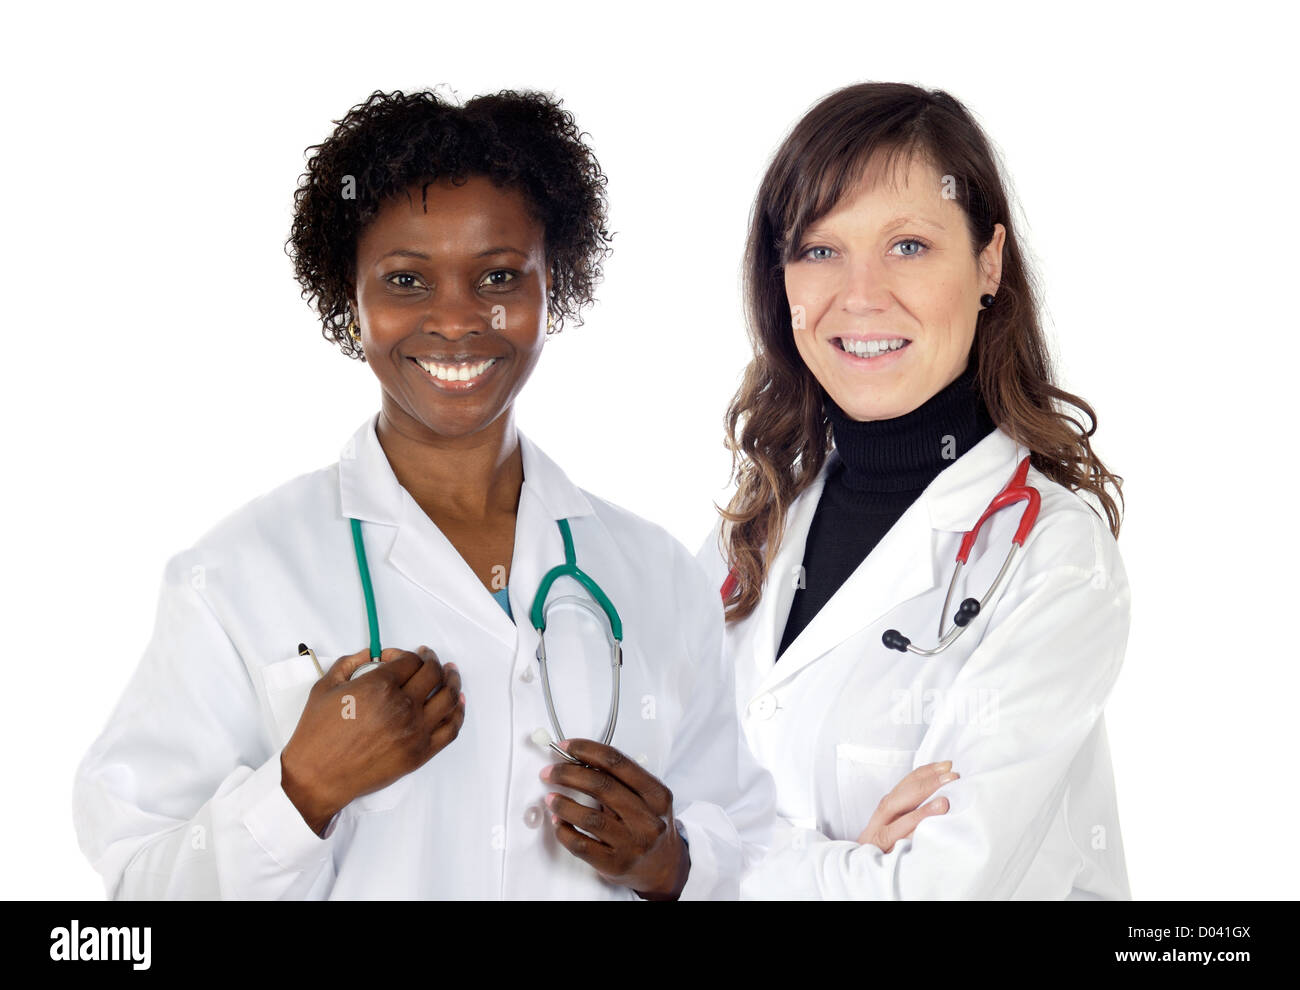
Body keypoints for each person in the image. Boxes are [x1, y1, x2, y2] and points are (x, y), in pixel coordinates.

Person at [73, 88, 774, 900]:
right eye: (407, 279)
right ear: (351, 300)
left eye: (499, 276)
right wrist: (301, 792)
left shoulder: (658, 576)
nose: (455, 319)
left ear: (557, 285)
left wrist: (672, 865)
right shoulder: (231, 578)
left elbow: (749, 841)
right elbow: (137, 894)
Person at [696, 82, 1131, 899]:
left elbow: (931, 890)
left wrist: (716, 861)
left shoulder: (1055, 560)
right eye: (820, 249)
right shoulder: (747, 541)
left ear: (988, 264)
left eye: (908, 246)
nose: (859, 296)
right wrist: (846, 865)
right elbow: (638, 824)